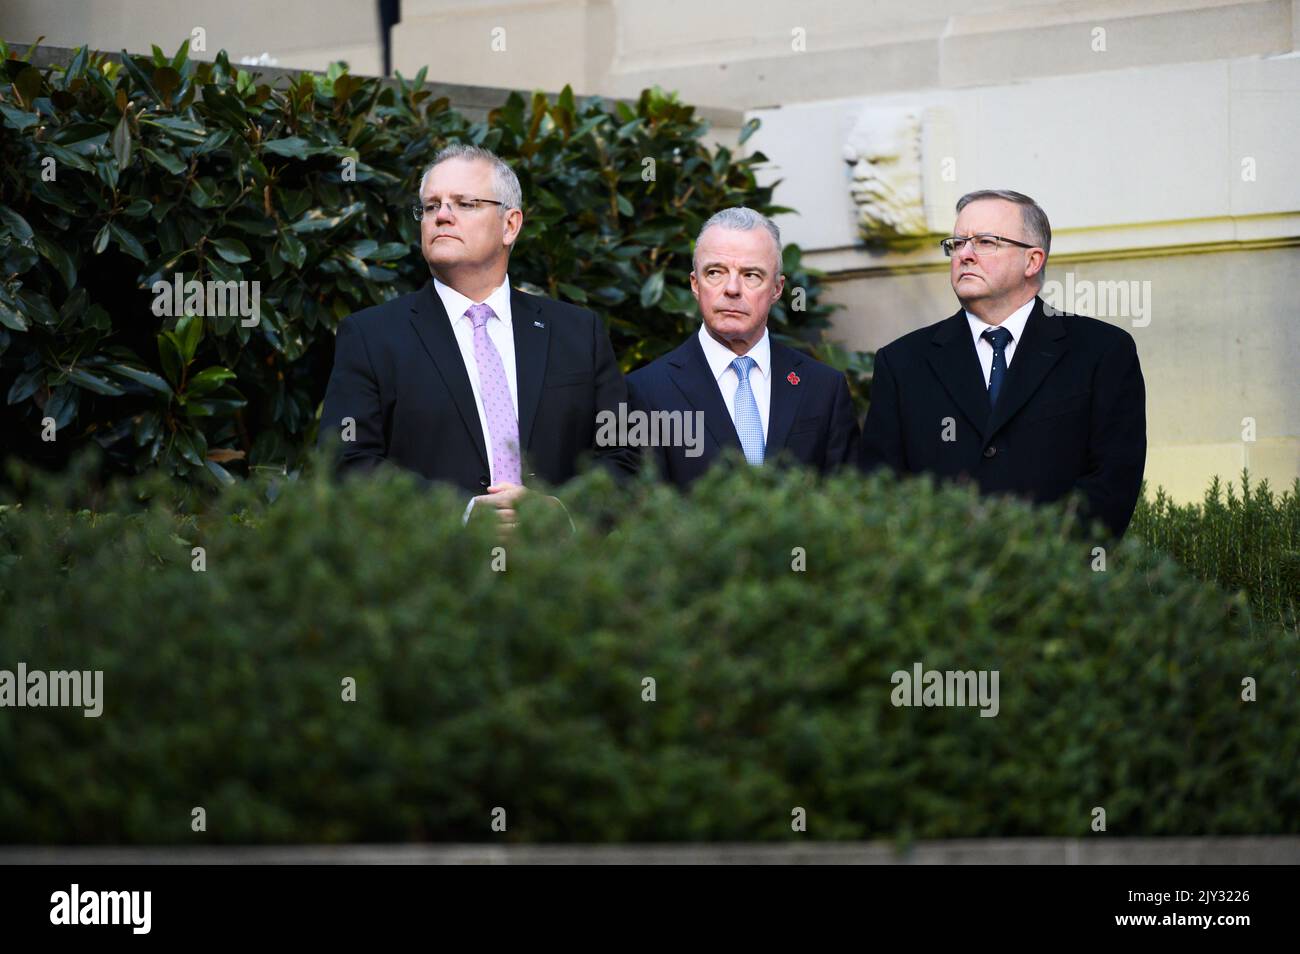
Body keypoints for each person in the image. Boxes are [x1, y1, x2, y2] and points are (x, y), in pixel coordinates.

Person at [319, 144, 635, 527]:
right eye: (431, 206)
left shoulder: (577, 332)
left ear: (510, 225)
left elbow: (623, 456)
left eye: (464, 204)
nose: (442, 217)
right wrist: (462, 514)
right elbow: (347, 461)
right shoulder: (372, 337)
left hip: (559, 571)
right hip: (433, 573)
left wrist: (563, 513)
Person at [860, 189, 1146, 538]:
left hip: (1059, 578)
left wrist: (1035, 557)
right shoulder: (902, 362)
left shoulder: (1101, 352)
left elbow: (1112, 482)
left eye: (985, 242)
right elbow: (881, 489)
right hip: (938, 580)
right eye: (957, 243)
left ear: (1033, 261)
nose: (964, 255)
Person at [627, 207, 859, 488]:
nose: (732, 289)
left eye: (751, 275)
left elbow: (848, 503)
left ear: (777, 289)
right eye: (715, 272)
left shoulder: (824, 388)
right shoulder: (646, 391)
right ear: (695, 284)